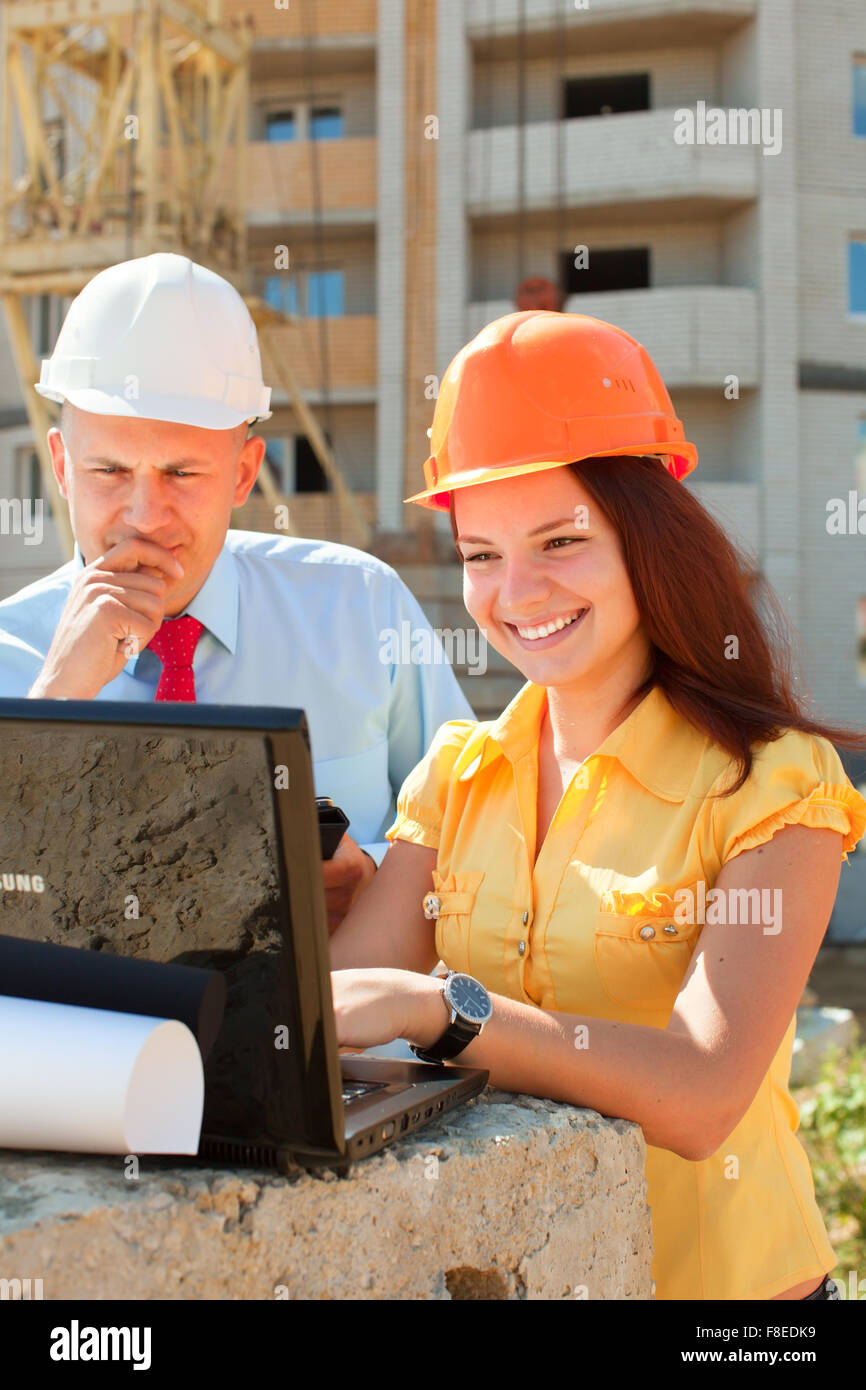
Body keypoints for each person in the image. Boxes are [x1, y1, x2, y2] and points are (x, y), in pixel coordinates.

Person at [329, 309, 866, 1301]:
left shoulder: (771, 782)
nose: (514, 589)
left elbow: (702, 1094)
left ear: (647, 536)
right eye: (479, 552)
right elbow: (330, 1011)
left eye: (560, 540)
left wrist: (441, 1008)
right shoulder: (454, 777)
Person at [0, 252, 475, 929]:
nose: (144, 514)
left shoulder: (362, 611)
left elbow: (482, 831)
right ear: (61, 466)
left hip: (340, 1034)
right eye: (108, 470)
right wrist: (51, 707)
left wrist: (374, 873)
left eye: (181, 474)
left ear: (245, 473)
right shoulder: (8, 656)